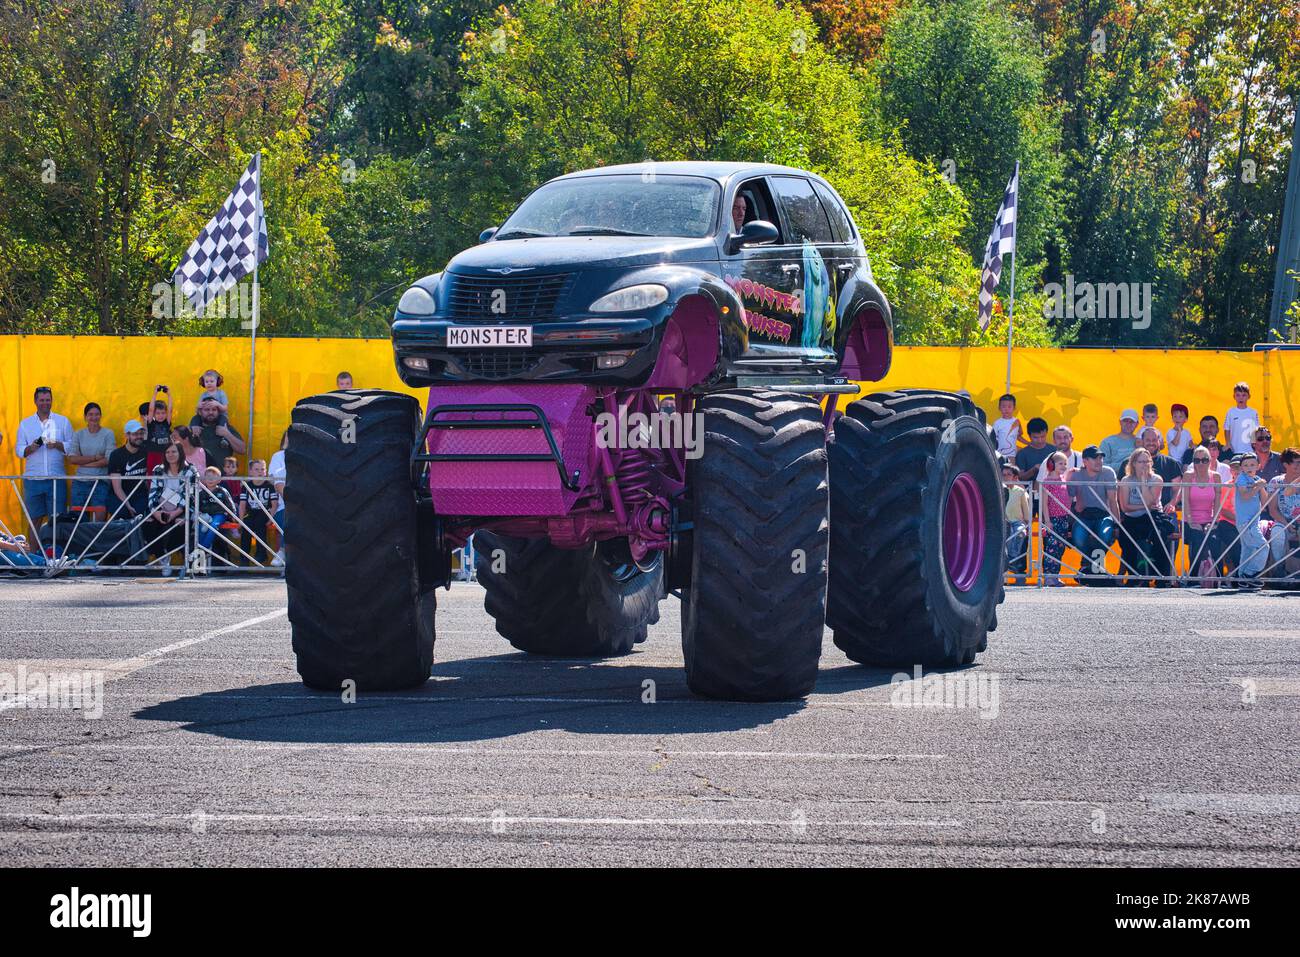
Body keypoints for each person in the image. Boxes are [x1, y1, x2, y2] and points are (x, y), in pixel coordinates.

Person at [14, 386, 73, 530]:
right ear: (35, 401)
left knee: (58, 521)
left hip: (56, 479)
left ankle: (56, 552)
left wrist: (57, 444)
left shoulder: (63, 421)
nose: (45, 403)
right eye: (42, 400)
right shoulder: (25, 424)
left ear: (52, 401)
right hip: (33, 480)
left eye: (48, 400)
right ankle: (33, 553)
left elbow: (73, 447)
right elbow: (19, 449)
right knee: (34, 522)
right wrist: (31, 448)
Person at [1117, 448, 1174, 586]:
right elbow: (1125, 507)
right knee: (1126, 538)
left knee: (1159, 536)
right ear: (1133, 463)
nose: (1144, 464)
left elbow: (1151, 502)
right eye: (1140, 461)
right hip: (1132, 518)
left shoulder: (1156, 479)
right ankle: (1135, 575)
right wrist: (1144, 507)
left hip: (1153, 516)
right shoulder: (1126, 480)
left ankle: (1160, 577)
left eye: (1147, 461)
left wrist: (1143, 482)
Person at [1174, 446, 1229, 586]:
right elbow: (1184, 500)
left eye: (1204, 460)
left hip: (1209, 519)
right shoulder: (1188, 476)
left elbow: (1217, 501)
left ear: (1210, 461)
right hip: (1190, 519)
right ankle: (1193, 580)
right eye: (1197, 460)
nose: (1200, 463)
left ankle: (1219, 580)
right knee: (1197, 539)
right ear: (1193, 462)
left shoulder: (1216, 476)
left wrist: (1214, 521)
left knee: (1215, 540)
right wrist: (1191, 522)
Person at [143, 443, 196, 574]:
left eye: (174, 452)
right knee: (147, 524)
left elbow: (190, 496)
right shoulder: (158, 470)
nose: (170, 455)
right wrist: (156, 512)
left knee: (180, 526)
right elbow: (153, 493)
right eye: (167, 452)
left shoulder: (191, 470)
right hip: (160, 508)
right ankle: (162, 557)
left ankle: (176, 556)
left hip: (182, 509)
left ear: (180, 453)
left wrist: (175, 513)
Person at [1069, 445, 1119, 577]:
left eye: (1101, 457)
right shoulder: (1076, 475)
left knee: (1105, 536)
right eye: (1094, 458)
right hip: (1084, 515)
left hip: (1104, 514)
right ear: (1084, 461)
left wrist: (1117, 524)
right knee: (1078, 538)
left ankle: (1091, 567)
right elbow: (1068, 499)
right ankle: (1093, 566)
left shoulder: (1108, 472)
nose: (1099, 461)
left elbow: (1113, 500)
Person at [66, 402, 115, 510]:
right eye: (90, 414)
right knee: (78, 517)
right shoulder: (78, 434)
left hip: (100, 480)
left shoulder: (108, 434)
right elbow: (72, 459)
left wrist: (84, 463)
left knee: (99, 516)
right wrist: (95, 458)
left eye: (97, 414)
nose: (94, 417)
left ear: (101, 416)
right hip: (80, 481)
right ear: (85, 417)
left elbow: (108, 460)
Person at [1264, 448, 1300, 581]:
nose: (1299, 465)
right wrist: (1288, 525)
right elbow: (1272, 510)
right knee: (1277, 532)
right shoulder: (1276, 482)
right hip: (1283, 521)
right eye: (1296, 462)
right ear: (1286, 465)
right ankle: (1278, 569)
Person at [1234, 452, 1269, 588]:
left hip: (1253, 521)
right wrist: (1257, 487)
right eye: (1246, 465)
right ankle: (1250, 574)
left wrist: (1261, 488)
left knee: (1247, 550)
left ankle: (1242, 578)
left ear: (1258, 466)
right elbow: (1244, 496)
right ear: (1241, 467)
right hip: (1246, 521)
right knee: (1263, 546)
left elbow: (1265, 502)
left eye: (1252, 464)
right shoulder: (1241, 478)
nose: (1249, 467)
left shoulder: (1257, 479)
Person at [1039, 451, 1072, 585]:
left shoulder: (1063, 478)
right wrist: (1047, 521)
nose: (1064, 466)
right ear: (1051, 464)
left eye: (1065, 463)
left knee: (1060, 548)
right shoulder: (1047, 481)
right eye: (1060, 463)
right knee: (1051, 548)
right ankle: (1048, 576)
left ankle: (1055, 575)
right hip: (1053, 519)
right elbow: (1044, 502)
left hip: (1063, 519)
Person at [194, 466, 237, 569]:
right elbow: (196, 506)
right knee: (200, 529)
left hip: (220, 514)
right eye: (208, 476)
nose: (210, 479)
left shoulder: (222, 491)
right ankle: (199, 566)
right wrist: (198, 513)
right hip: (206, 515)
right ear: (204, 479)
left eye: (214, 477)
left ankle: (202, 550)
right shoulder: (201, 492)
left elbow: (230, 505)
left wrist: (233, 516)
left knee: (214, 525)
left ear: (219, 479)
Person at [107, 421, 151, 520]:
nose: (139, 437)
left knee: (140, 516)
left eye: (141, 433)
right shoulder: (116, 455)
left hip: (140, 495)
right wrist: (128, 506)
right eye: (135, 434)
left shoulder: (146, 452)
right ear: (127, 435)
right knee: (122, 513)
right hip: (119, 495)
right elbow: (117, 488)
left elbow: (150, 479)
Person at [239, 459, 279, 566]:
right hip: (251, 512)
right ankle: (244, 557)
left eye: (262, 469)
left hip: (265, 512)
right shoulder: (246, 486)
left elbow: (275, 504)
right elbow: (242, 505)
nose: (260, 472)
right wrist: (240, 520)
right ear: (250, 471)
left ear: (266, 471)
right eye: (256, 469)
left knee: (259, 523)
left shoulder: (269, 486)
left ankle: (261, 554)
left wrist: (271, 519)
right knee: (246, 526)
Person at [189, 397, 246, 467]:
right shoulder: (193, 429)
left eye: (214, 410)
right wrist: (192, 434)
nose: (210, 412)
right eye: (207, 410)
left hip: (222, 476)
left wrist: (226, 434)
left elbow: (242, 450)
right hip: (199, 476)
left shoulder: (226, 428)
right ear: (200, 412)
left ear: (218, 412)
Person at [1002, 460, 1031, 584]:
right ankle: (1005, 576)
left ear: (1015, 477)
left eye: (1008, 474)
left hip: (1017, 521)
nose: (1005, 477)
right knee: (1006, 541)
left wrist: (1027, 523)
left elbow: (1026, 508)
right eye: (1003, 474)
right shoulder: (998, 490)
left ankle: (1013, 559)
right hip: (1004, 523)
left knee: (1020, 533)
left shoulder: (1020, 492)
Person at [268, 429, 288, 568]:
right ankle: (281, 551)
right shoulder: (279, 456)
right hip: (283, 506)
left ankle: (281, 551)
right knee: (290, 518)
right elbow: (276, 481)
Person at [143, 385, 174, 472]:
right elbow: (151, 409)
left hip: (165, 453)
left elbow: (170, 409)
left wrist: (169, 395)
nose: (161, 415)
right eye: (158, 413)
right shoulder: (151, 423)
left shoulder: (166, 423)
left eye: (163, 413)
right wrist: (155, 394)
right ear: (153, 414)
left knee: (165, 473)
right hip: (153, 452)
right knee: (151, 473)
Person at [1224, 382, 1260, 456]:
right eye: (1238, 395)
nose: (1241, 398)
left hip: (1250, 450)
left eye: (1244, 395)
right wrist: (1228, 443)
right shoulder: (1231, 412)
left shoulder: (1253, 412)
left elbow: (1256, 430)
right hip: (1235, 449)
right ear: (1234, 396)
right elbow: (1227, 428)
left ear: (1249, 396)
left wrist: (1255, 446)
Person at [1015, 417, 1055, 482]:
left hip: (1052, 489)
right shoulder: (1022, 453)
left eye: (1042, 436)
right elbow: (1020, 478)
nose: (1040, 440)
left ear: (1047, 433)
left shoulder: (1054, 451)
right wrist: (1034, 470)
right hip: (1029, 490)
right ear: (1029, 436)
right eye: (1035, 437)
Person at [992, 394, 1022, 458]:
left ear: (1014, 408)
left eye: (1009, 407)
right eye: (1003, 406)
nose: (1006, 409)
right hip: (999, 454)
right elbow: (993, 438)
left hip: (1012, 454)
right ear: (999, 408)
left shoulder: (1017, 421)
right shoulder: (997, 423)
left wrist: (1028, 443)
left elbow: (1019, 435)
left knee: (1011, 467)